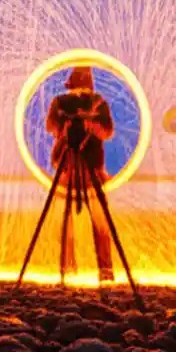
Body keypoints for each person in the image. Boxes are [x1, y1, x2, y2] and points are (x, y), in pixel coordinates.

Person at [46, 66, 115, 284]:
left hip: (90, 167)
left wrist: (90, 124)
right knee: (70, 222)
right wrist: (67, 126)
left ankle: (101, 270)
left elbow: (107, 131)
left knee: (99, 222)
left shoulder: (97, 102)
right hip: (69, 167)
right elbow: (51, 126)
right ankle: (70, 268)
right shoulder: (63, 102)